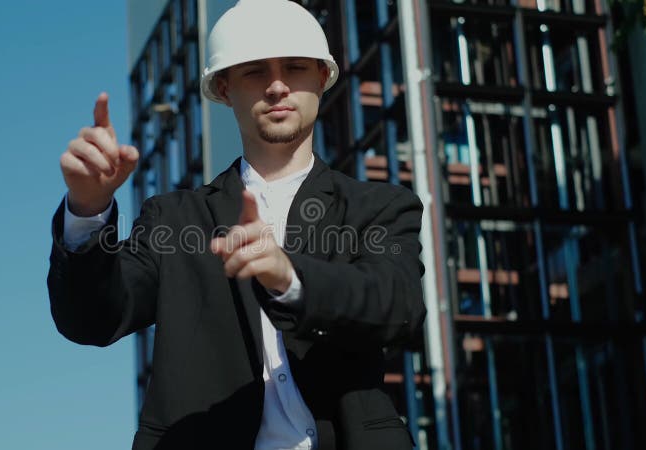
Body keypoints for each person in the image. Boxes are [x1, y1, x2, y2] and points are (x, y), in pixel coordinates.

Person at [47, 1, 426, 449]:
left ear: (322, 78)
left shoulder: (379, 208)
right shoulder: (173, 220)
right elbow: (91, 321)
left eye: (296, 67)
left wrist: (289, 278)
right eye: (255, 72)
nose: (278, 86)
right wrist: (88, 211)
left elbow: (398, 306)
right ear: (224, 88)